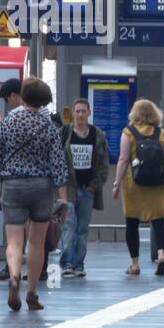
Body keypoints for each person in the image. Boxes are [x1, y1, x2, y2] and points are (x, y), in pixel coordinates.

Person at [0, 77, 69, 311]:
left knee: (14, 240)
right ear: (44, 100)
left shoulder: (9, 122)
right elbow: (58, 164)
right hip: (42, 187)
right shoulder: (48, 126)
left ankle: (14, 276)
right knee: (36, 242)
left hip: (13, 185)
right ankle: (31, 293)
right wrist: (62, 197)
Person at [113, 98, 164, 277]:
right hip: (157, 185)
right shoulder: (161, 133)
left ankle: (134, 264)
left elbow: (123, 159)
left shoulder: (128, 132)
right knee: (159, 222)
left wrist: (117, 183)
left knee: (132, 223)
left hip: (134, 184)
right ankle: (162, 255)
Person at [59, 99, 110, 279]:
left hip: (88, 188)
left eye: (83, 111)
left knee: (82, 228)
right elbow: (57, 160)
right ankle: (67, 263)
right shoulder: (64, 134)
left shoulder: (98, 135)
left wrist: (94, 186)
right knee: (69, 225)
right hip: (68, 188)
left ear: (89, 112)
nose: (80, 115)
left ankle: (79, 264)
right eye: (77, 111)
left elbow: (104, 165)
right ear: (73, 113)